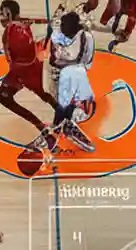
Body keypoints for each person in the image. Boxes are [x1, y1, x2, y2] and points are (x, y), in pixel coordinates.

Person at [34, 11, 97, 154]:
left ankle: (59, 130)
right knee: (63, 106)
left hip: (73, 74)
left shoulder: (86, 38)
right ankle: (61, 129)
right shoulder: (58, 37)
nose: (61, 27)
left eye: (64, 25)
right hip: (56, 75)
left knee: (73, 110)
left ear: (74, 27)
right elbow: (55, 60)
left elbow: (84, 62)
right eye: (61, 24)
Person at [0, 0, 60, 138]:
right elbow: (48, 25)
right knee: (43, 95)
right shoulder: (25, 23)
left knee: (3, 97)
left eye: (2, 13)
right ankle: (62, 115)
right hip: (31, 68)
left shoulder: (12, 29)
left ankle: (43, 127)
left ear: (8, 13)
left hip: (24, 71)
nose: (0, 17)